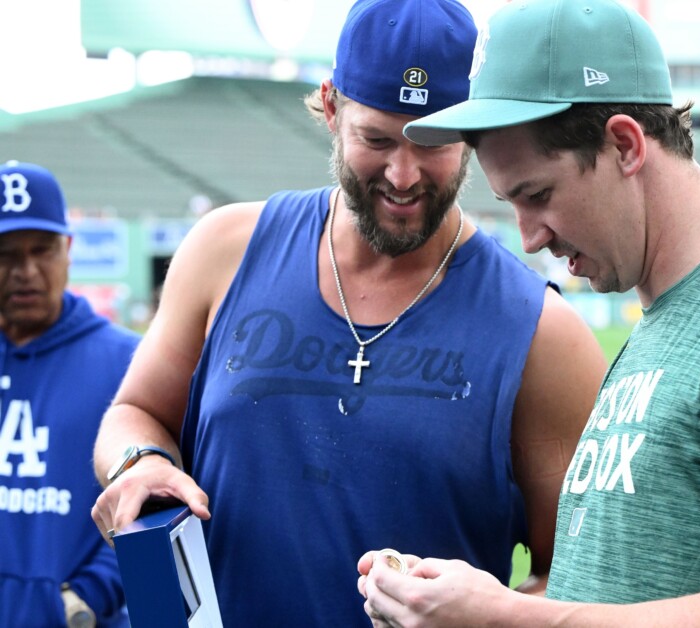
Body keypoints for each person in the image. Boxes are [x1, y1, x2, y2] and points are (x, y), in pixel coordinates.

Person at [357, 0, 700, 625]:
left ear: (624, 144)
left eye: (538, 195)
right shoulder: (668, 309)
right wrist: (457, 604)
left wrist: (508, 619)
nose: (530, 238)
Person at [89, 0, 606, 625]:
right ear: (332, 108)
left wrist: (489, 616)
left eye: (434, 141)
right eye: (378, 138)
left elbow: (585, 583)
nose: (404, 174)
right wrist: (137, 463)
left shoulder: (543, 335)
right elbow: (134, 412)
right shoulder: (223, 249)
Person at [0, 161, 140, 627]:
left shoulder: (130, 363)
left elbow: (155, 505)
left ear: (68, 249)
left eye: (42, 250)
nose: (25, 271)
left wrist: (86, 597)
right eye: (5, 254)